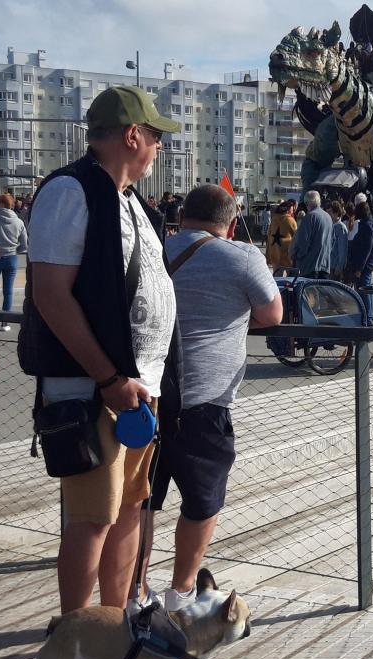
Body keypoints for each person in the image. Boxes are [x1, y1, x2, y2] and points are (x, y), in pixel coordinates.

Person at [19, 85, 177, 659]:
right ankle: (76, 650)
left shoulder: (126, 198)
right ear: (132, 135)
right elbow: (52, 294)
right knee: (91, 518)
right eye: (156, 134)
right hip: (96, 390)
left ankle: (116, 633)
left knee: (129, 510)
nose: (160, 145)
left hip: (136, 388)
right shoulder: (71, 191)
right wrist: (108, 379)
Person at [147, 185, 283, 611]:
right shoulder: (240, 256)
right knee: (202, 503)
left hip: (144, 397)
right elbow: (273, 314)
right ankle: (182, 590)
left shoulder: (154, 250)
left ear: (183, 215)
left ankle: (133, 592)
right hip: (203, 402)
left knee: (141, 503)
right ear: (230, 221)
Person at [0, 192, 27, 327]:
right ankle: (5, 323)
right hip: (11, 258)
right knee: (8, 291)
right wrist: (15, 250)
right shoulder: (19, 221)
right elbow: (25, 244)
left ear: (1, 204)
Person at [345, 201, 373, 325]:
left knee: (364, 291)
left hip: (364, 264)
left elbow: (366, 249)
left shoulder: (367, 225)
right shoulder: (370, 223)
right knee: (367, 291)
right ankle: (368, 317)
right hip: (369, 263)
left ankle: (368, 319)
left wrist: (359, 268)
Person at [289, 190, 332, 279]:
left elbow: (303, 242)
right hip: (325, 266)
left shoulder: (309, 217)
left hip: (309, 267)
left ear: (307, 202)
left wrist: (297, 256)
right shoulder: (328, 217)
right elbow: (332, 241)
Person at [266, 199, 297, 276]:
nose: (293, 211)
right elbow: (297, 236)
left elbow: (269, 235)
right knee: (290, 279)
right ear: (288, 210)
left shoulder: (274, 219)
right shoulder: (290, 220)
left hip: (275, 253)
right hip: (287, 254)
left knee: (277, 279)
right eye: (292, 209)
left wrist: (268, 253)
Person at [327, 200, 349, 280]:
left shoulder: (341, 228)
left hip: (334, 267)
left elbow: (342, 250)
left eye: (330, 212)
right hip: (327, 266)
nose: (328, 214)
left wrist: (339, 267)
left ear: (336, 213)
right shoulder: (330, 226)